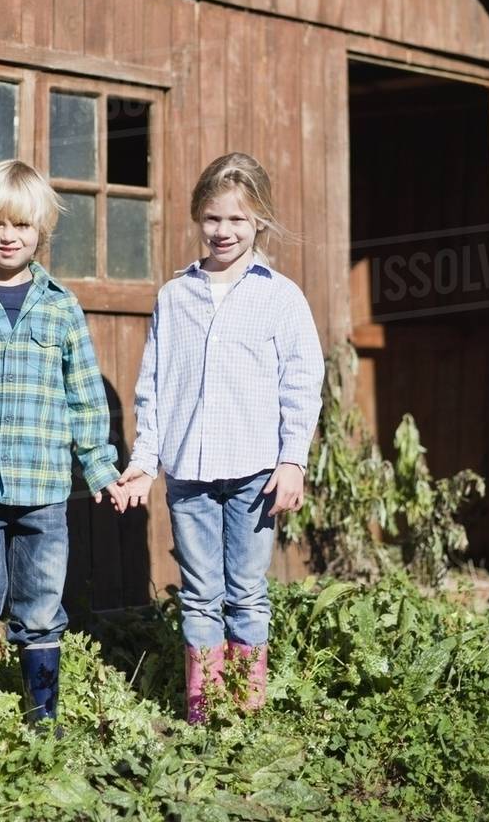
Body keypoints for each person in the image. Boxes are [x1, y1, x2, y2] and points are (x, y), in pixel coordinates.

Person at [0, 159, 127, 730]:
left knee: (40, 609)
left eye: (22, 225)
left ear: (42, 231)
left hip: (44, 491)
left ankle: (42, 725)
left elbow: (85, 397)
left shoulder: (61, 306)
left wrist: (101, 468)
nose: (8, 237)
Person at [119, 152, 324, 722]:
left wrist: (293, 460)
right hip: (189, 475)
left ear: (260, 221)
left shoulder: (280, 296)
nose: (223, 230)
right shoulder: (174, 296)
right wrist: (145, 462)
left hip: (257, 473)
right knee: (200, 593)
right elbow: (154, 386)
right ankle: (205, 709)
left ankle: (245, 711)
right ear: (197, 218)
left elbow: (302, 383)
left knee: (247, 592)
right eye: (212, 218)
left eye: (238, 219)